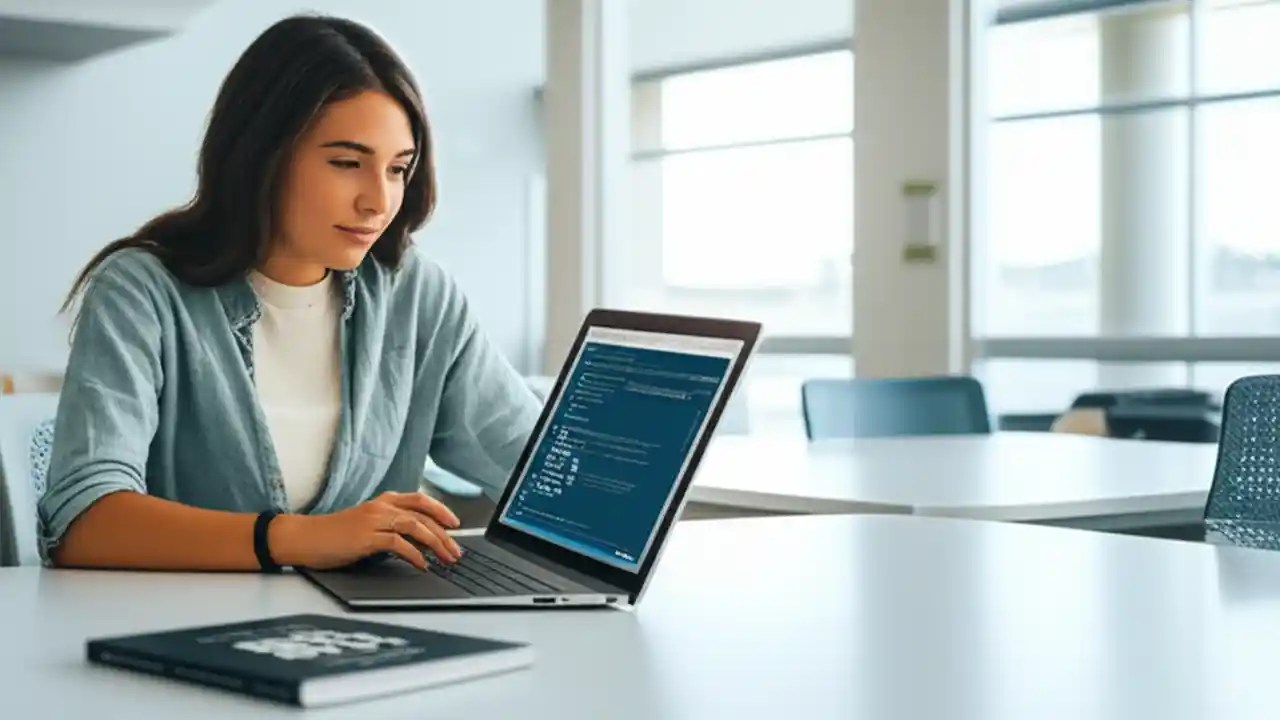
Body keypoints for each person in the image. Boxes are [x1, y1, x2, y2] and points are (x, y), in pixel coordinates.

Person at [36, 14, 540, 573]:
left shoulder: (417, 295)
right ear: (262, 156)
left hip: (366, 638)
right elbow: (85, 522)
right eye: (347, 163)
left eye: (398, 169)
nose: (378, 201)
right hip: (178, 631)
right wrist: (300, 538)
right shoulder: (141, 292)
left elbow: (530, 464)